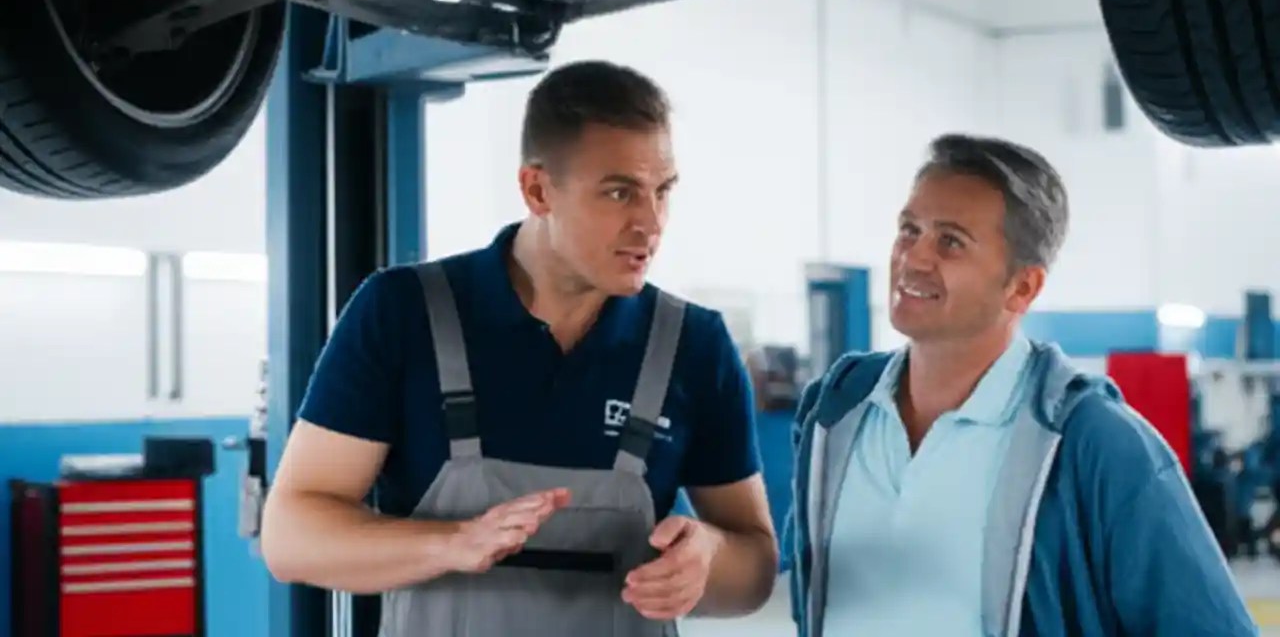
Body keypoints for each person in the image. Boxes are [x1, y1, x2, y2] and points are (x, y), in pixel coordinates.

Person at [260, 60, 778, 636]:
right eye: (619, 192)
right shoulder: (403, 314)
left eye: (663, 191)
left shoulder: (694, 346)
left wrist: (707, 561)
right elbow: (291, 538)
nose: (650, 223)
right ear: (537, 190)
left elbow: (756, 569)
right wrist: (452, 543)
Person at [786, 134, 1256, 637]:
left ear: (1022, 287)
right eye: (909, 230)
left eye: (950, 241)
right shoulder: (836, 413)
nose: (913, 259)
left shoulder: (1097, 445)